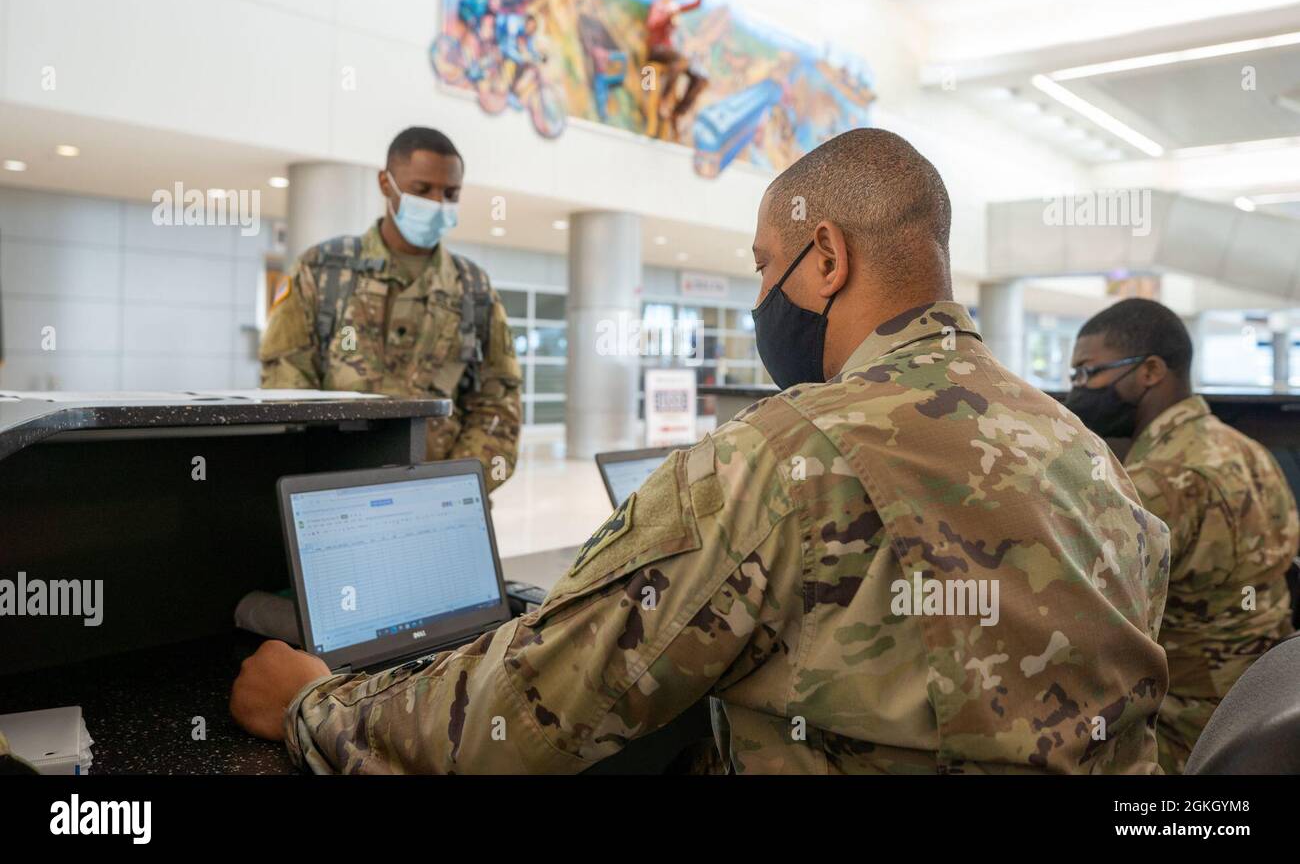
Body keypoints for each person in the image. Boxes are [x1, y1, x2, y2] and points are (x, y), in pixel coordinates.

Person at [232, 128, 1170, 774]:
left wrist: (315, 707)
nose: (763, 291)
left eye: (767, 264)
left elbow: (527, 712)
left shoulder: (779, 457)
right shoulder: (1086, 450)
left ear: (827, 258)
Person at [1066, 297, 1299, 773]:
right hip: (1256, 700)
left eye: (1089, 372)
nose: (1079, 390)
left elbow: (1087, 616)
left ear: (1151, 370)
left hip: (1185, 725)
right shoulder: (1247, 449)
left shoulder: (1160, 479)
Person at [259, 126, 522, 492]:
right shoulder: (322, 270)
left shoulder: (473, 288)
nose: (438, 203)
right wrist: (322, 481)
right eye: (422, 189)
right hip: (336, 498)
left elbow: (500, 404)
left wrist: (456, 485)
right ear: (386, 183)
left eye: (450, 193)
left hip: (446, 503)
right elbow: (285, 384)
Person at [646, 0, 713, 140]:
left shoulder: (674, 7)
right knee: (681, 60)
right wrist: (668, 15)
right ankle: (665, 99)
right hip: (658, 50)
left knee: (701, 79)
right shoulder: (659, 6)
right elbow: (652, 25)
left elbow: (696, 4)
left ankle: (677, 112)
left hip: (673, 56)